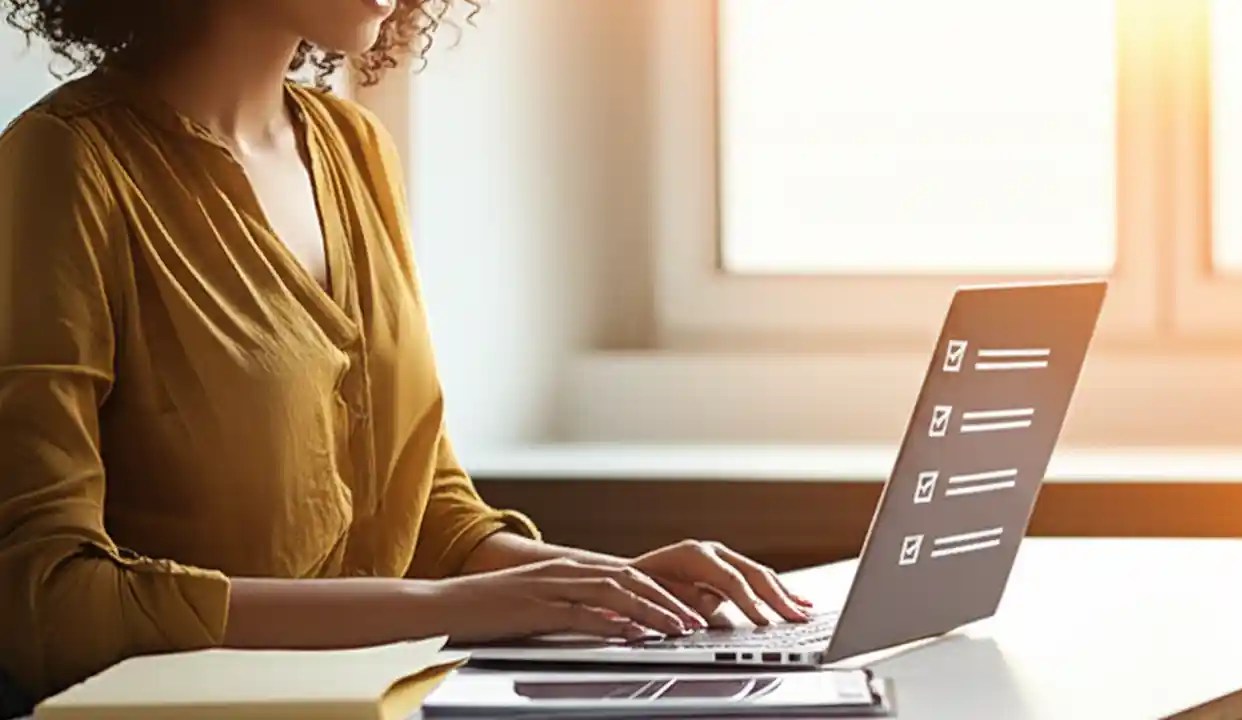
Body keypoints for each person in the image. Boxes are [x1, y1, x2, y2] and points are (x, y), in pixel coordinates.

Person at [0, 0, 813, 708]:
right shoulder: (65, 163)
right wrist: (450, 603)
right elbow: (48, 605)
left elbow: (424, 514)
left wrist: (622, 588)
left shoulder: (354, 148)